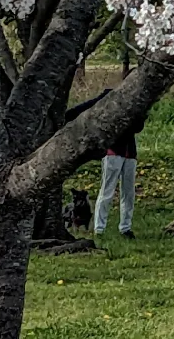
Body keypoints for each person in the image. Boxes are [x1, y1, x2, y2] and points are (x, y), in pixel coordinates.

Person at [68, 89, 145, 240]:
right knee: (107, 191)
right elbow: (91, 105)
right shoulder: (110, 95)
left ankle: (125, 227)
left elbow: (138, 126)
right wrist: (70, 115)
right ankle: (99, 228)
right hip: (114, 150)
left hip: (130, 153)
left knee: (129, 193)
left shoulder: (137, 102)